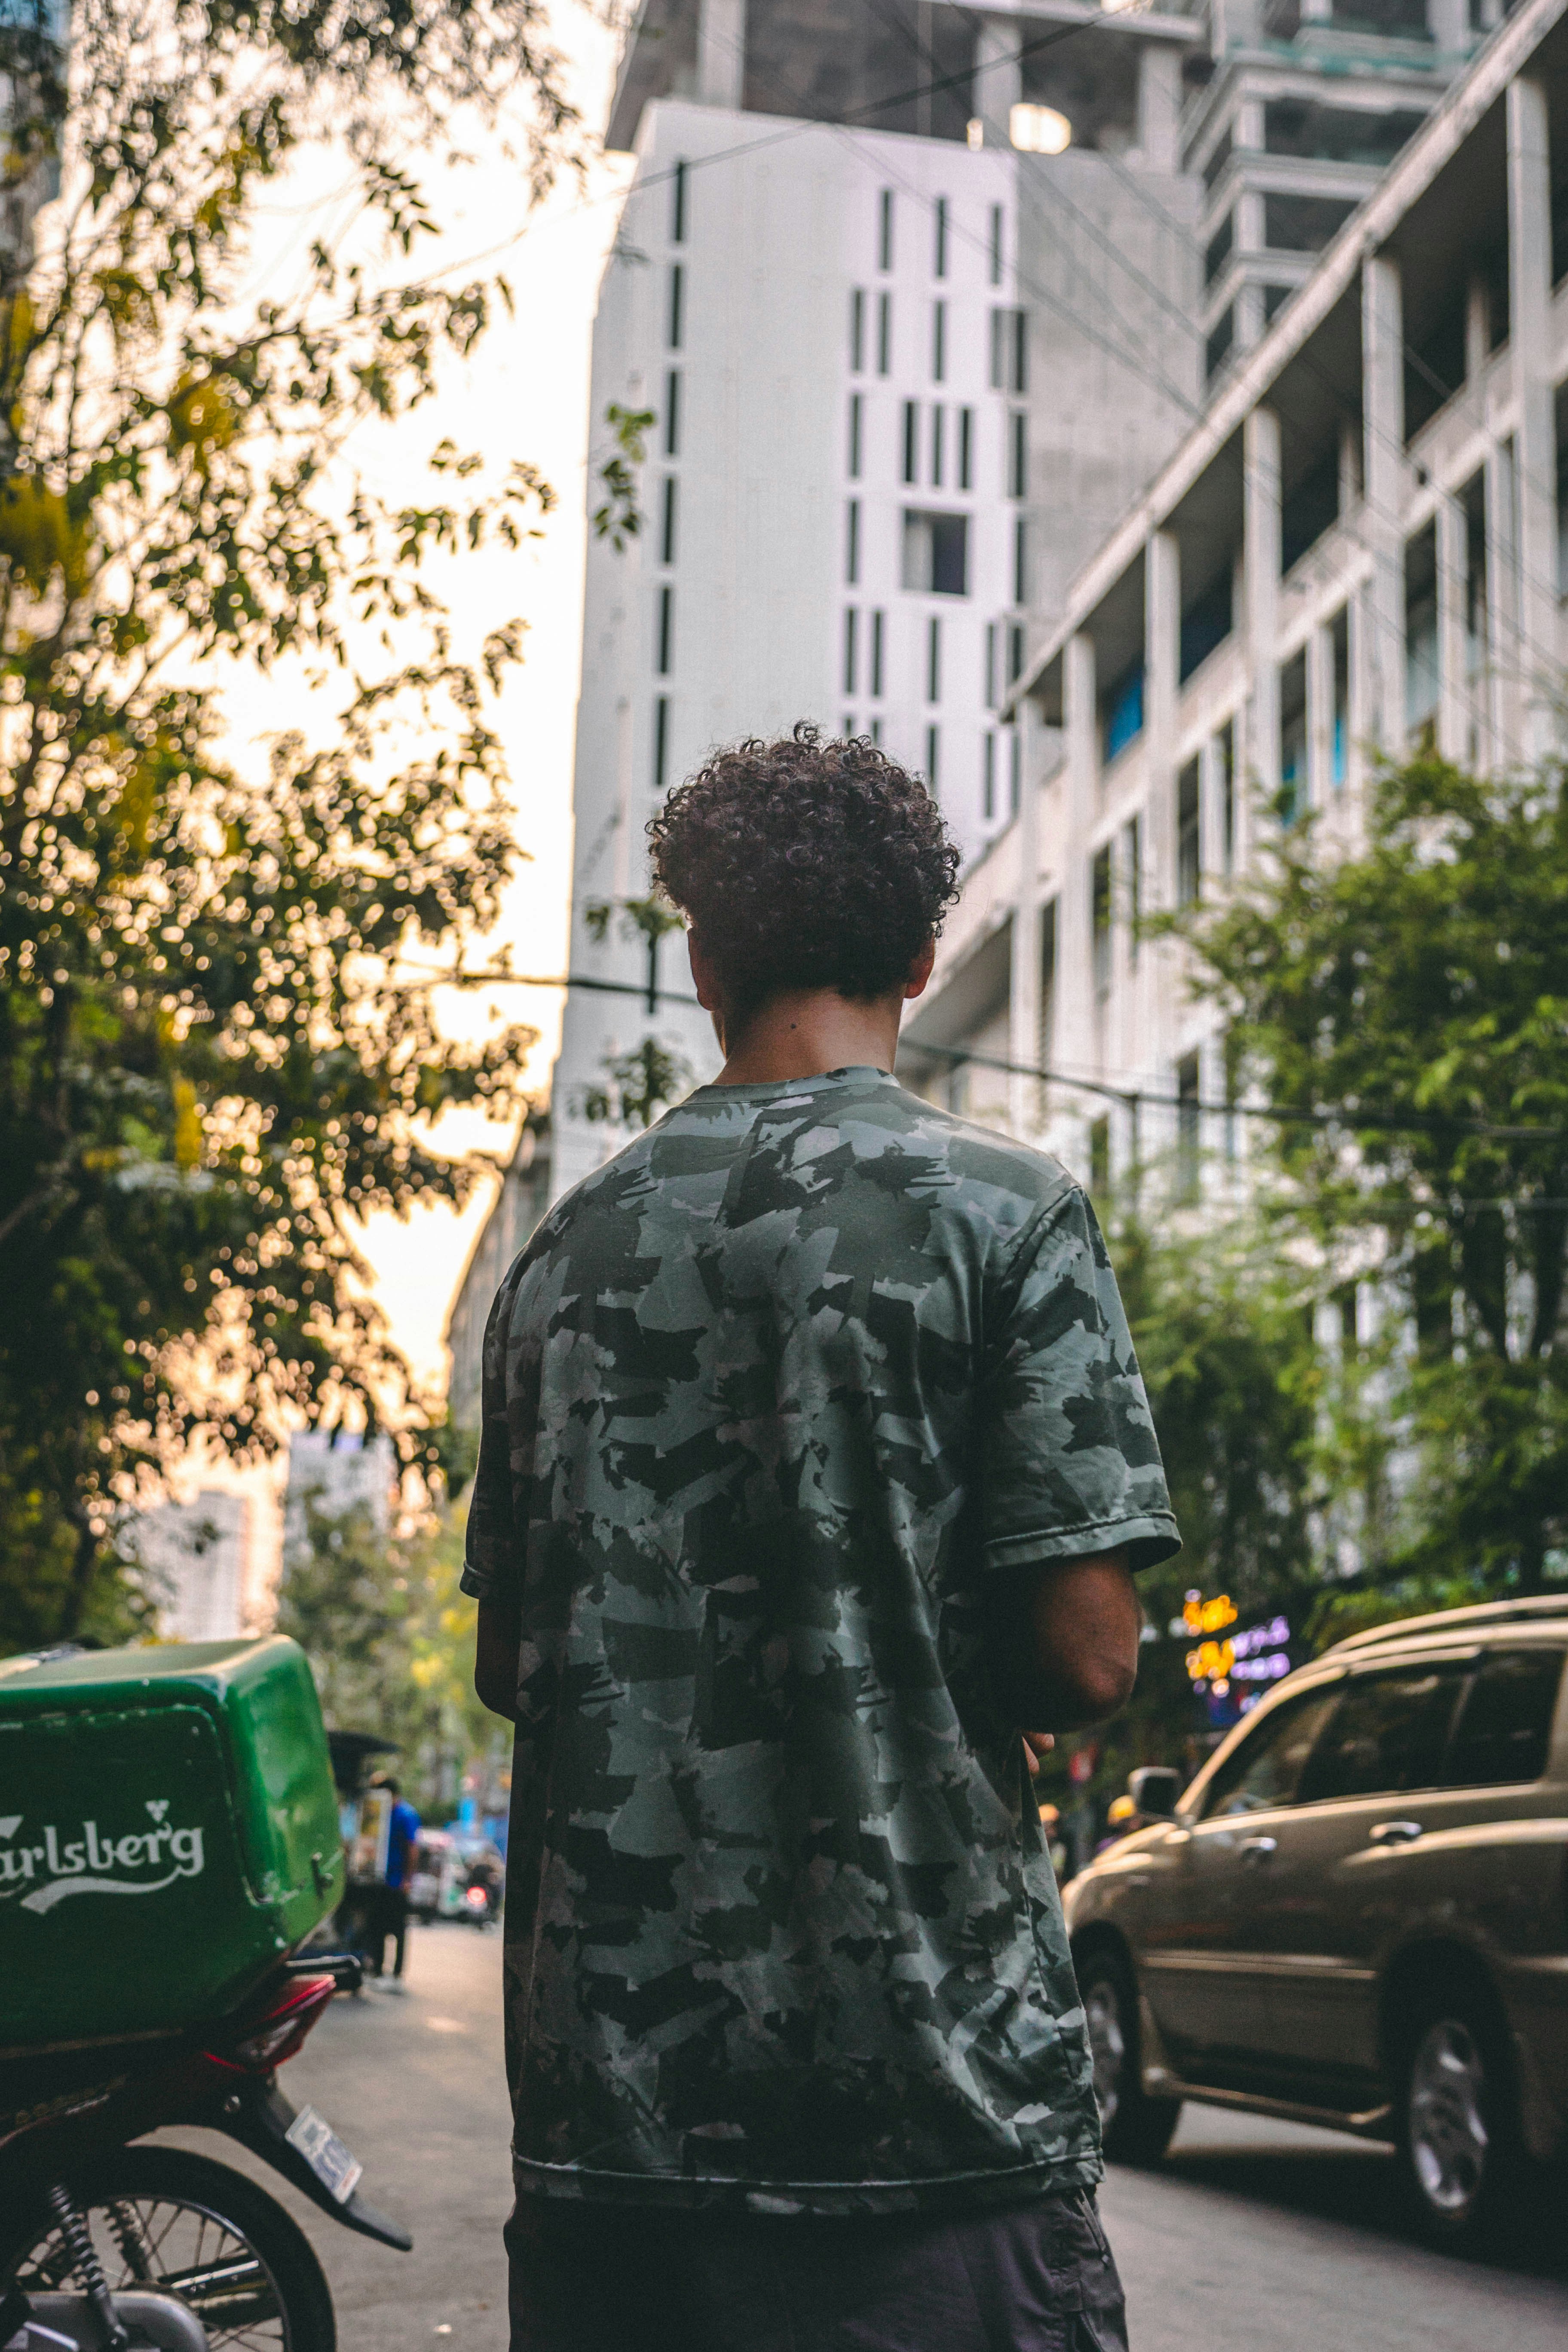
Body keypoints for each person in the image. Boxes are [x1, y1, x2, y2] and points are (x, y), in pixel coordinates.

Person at [465, 728, 1180, 2352]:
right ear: (922, 955)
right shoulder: (1002, 1210)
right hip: (928, 2121)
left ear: (702, 959)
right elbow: (1084, 1656)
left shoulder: (562, 1260)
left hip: (615, 2146)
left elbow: (519, 1670)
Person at [367, 1775, 420, 1985]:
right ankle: (378, 1970)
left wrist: (407, 1879)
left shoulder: (406, 1814)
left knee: (398, 1929)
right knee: (378, 1926)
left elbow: (412, 1848)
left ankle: (397, 1974)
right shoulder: (381, 1814)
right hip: (380, 1880)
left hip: (397, 1882)